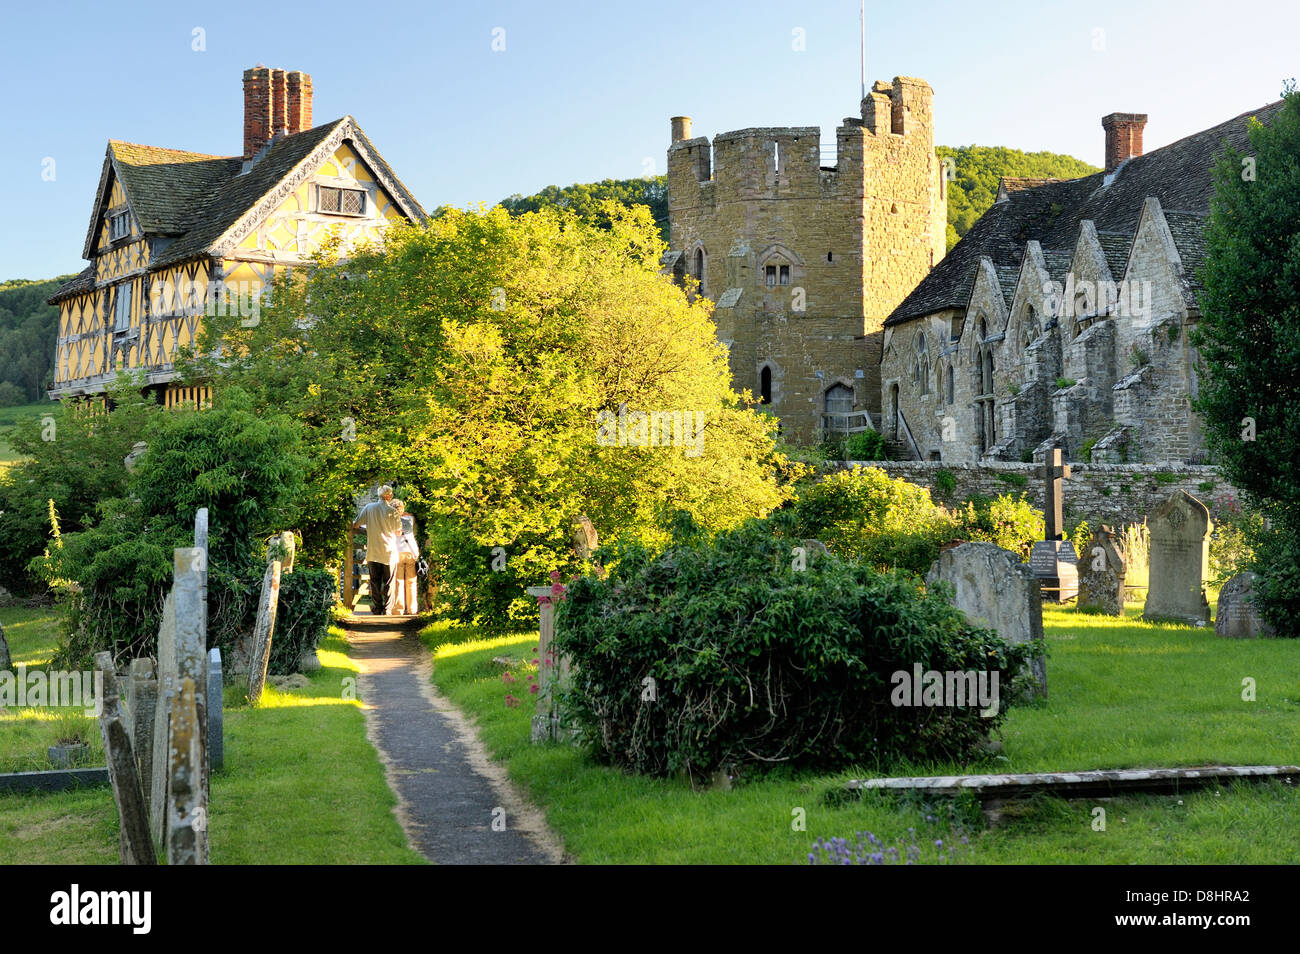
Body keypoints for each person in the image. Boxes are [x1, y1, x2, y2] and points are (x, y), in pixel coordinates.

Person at [352, 485, 402, 616]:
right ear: (389, 496)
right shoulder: (393, 511)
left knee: (375, 581)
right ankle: (388, 609)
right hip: (389, 551)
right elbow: (398, 532)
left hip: (373, 551)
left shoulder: (369, 508)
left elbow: (356, 524)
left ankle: (377, 607)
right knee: (389, 582)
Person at [387, 501, 420, 616]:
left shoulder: (390, 521)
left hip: (398, 553)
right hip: (411, 552)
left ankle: (398, 609)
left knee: (398, 582)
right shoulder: (409, 519)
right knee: (411, 582)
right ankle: (412, 609)